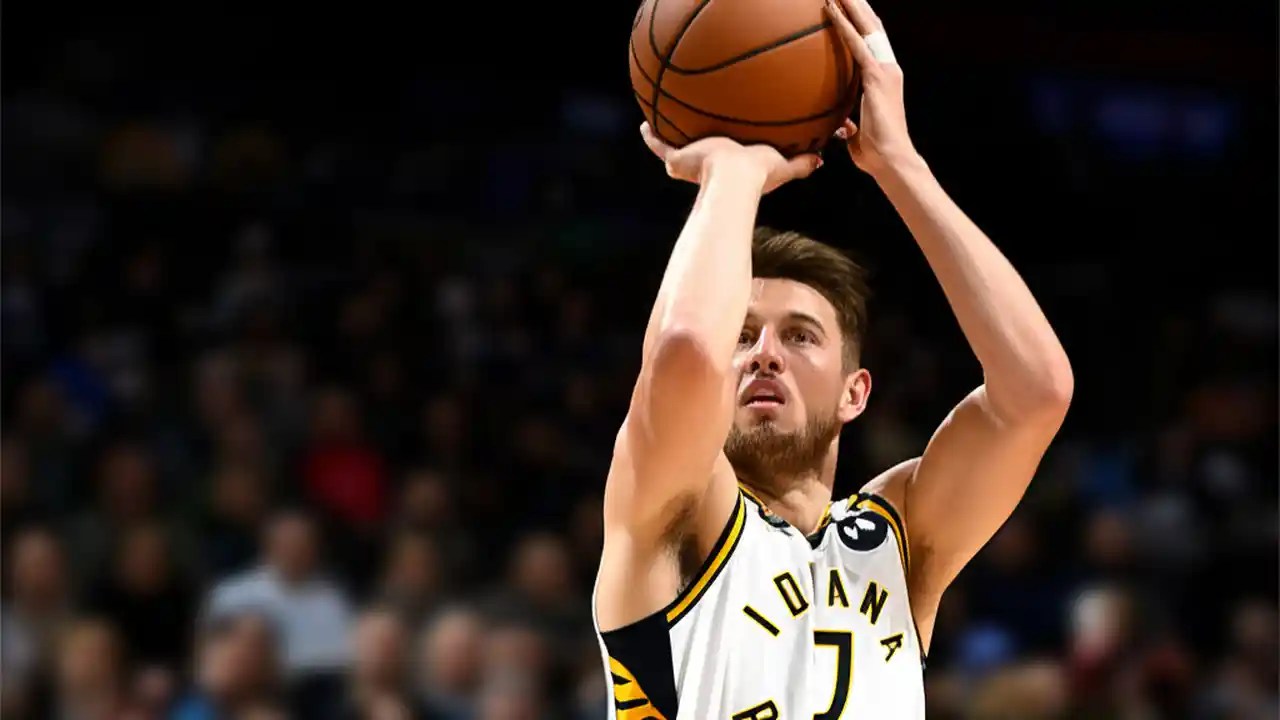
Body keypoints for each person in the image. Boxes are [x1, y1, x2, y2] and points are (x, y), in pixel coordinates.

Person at [590, 0, 1074, 717]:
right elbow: (687, 351)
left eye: (800, 335)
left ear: (856, 393)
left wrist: (901, 164)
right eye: (744, 334)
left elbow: (1036, 391)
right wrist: (733, 173)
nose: (762, 356)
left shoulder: (896, 542)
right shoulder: (674, 510)